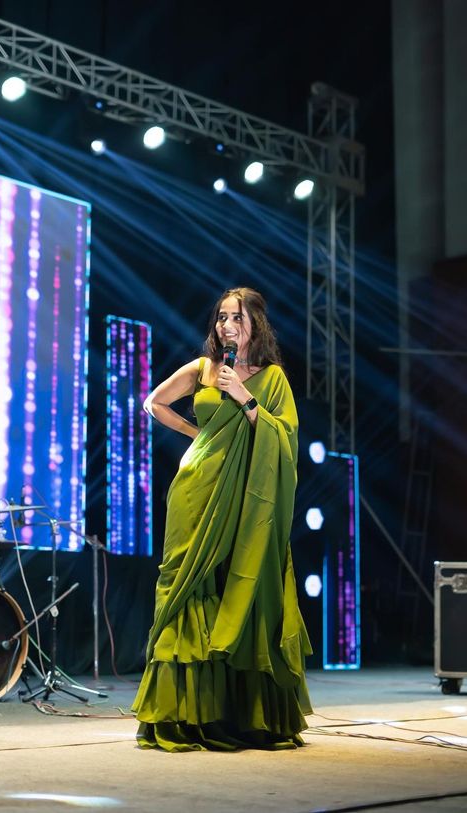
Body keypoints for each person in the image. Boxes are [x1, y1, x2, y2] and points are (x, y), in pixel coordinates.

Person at [132, 286, 312, 752]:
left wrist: (243, 398)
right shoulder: (203, 368)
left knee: (240, 585)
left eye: (236, 317)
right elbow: (153, 402)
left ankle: (238, 715)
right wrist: (200, 435)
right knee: (189, 588)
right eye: (220, 317)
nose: (226, 325)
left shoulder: (271, 379)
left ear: (256, 323)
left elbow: (285, 441)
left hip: (247, 499)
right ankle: (181, 715)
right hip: (196, 489)